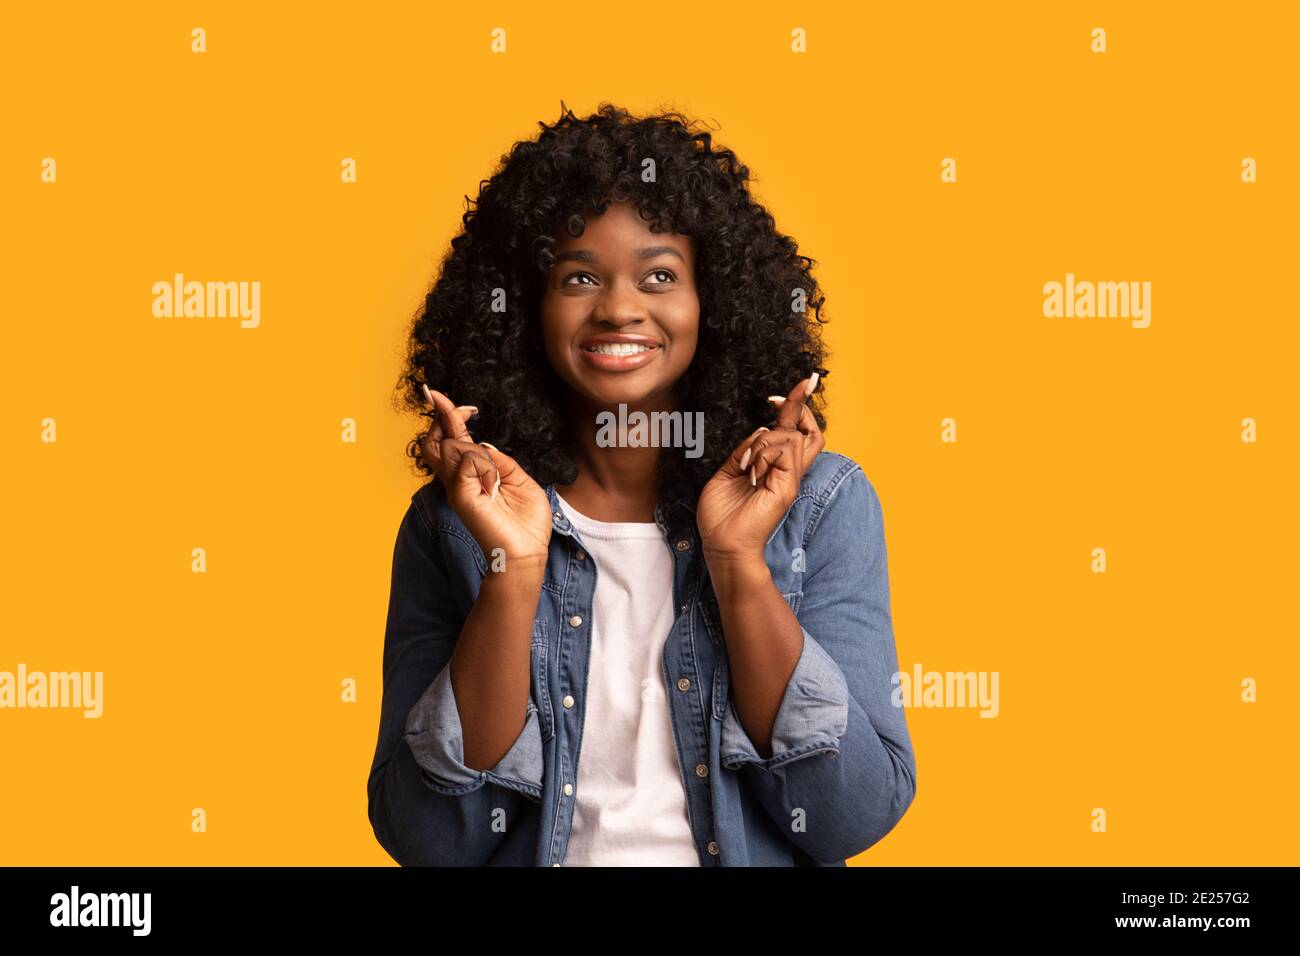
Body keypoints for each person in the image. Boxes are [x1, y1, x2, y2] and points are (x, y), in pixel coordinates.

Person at [367, 102, 917, 866]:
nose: (620, 308)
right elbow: (430, 841)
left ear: (712, 301)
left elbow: (847, 815)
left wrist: (739, 566)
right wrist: (513, 573)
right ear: (528, 305)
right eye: (579, 276)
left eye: (659, 275)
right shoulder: (456, 523)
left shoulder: (821, 506)